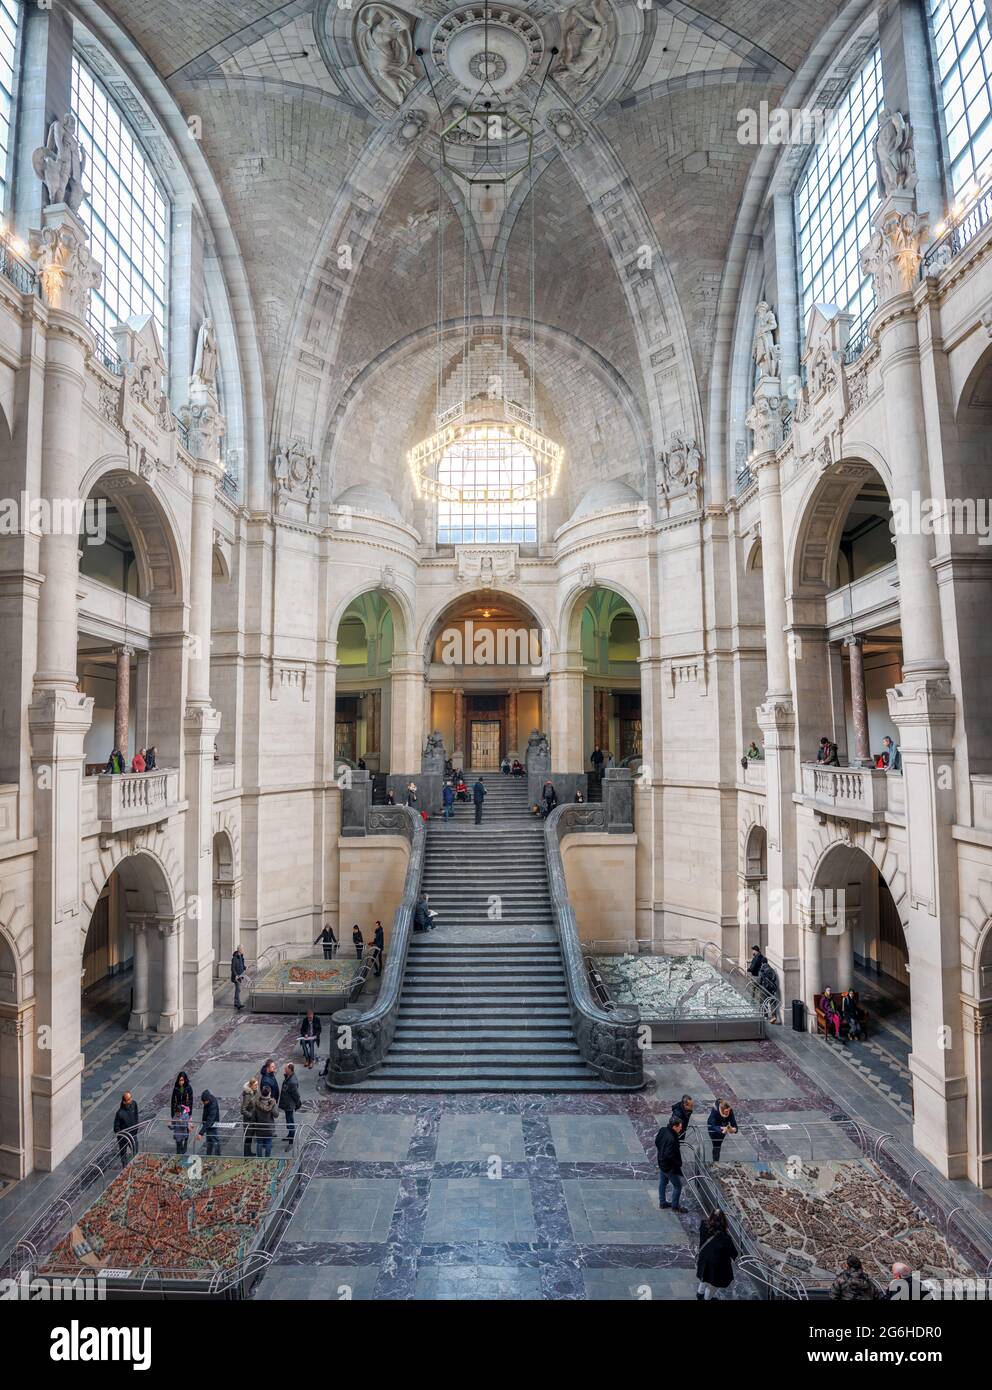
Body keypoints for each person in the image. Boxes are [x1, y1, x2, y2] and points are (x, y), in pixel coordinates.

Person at [696, 1208, 738, 1299]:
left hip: (704, 1259)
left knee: (704, 1276)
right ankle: (707, 1299)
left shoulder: (703, 1225)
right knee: (713, 1285)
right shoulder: (725, 1237)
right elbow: (734, 1253)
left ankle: (700, 1293)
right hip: (716, 1266)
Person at [655, 1116, 685, 1212]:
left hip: (661, 1162)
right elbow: (670, 1156)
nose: (681, 1128)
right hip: (669, 1167)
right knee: (678, 1186)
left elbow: (657, 1142)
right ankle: (675, 1206)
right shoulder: (672, 1139)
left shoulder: (663, 1130)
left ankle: (662, 1202)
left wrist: (661, 1152)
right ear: (674, 1127)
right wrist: (678, 1164)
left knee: (663, 1183)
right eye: (680, 1126)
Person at [113, 1091, 140, 1168]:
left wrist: (136, 1126)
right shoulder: (120, 1113)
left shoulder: (134, 1104)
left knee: (135, 1151)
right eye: (129, 1099)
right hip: (123, 1138)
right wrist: (123, 1135)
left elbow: (136, 1115)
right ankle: (124, 1169)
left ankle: (135, 1167)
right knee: (123, 1155)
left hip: (133, 1134)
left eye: (131, 1097)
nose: (131, 1100)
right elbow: (116, 1128)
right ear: (124, 1102)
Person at [279, 1063, 301, 1146]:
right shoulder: (289, 1077)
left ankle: (292, 1140)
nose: (284, 1070)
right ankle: (290, 1135)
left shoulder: (292, 1082)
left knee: (290, 1121)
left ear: (290, 1070)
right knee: (288, 1120)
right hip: (287, 1104)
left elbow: (296, 1095)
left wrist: (298, 1104)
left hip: (289, 1105)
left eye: (286, 1069)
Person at [253, 1088, 278, 1158]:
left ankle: (259, 1158)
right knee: (268, 1142)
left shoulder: (257, 1103)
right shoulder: (272, 1103)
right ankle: (267, 1158)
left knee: (259, 1143)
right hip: (269, 1127)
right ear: (269, 1093)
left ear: (262, 1093)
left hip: (259, 1127)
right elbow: (276, 1115)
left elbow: (254, 1116)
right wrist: (274, 1106)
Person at [198, 1089, 222, 1156]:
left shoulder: (212, 1105)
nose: (204, 1103)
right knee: (209, 1141)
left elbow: (210, 1120)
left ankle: (218, 1156)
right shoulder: (208, 1100)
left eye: (204, 1102)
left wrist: (201, 1133)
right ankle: (209, 1155)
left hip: (212, 1124)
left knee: (214, 1141)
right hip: (208, 1125)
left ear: (208, 1100)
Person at [240, 1076, 260, 1155]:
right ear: (251, 1086)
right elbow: (242, 1110)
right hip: (248, 1121)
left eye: (257, 1084)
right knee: (248, 1137)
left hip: (253, 1119)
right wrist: (251, 1115)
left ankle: (249, 1152)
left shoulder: (255, 1092)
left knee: (250, 1137)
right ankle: (246, 1154)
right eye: (255, 1085)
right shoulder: (247, 1095)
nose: (257, 1086)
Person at [231, 944, 246, 1010]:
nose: (243, 950)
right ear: (240, 950)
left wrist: (245, 967)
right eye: (243, 949)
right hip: (236, 977)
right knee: (238, 989)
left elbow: (242, 965)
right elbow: (232, 968)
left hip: (240, 976)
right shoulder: (234, 958)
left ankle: (235, 1002)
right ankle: (238, 1004)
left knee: (238, 990)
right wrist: (236, 975)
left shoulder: (241, 956)